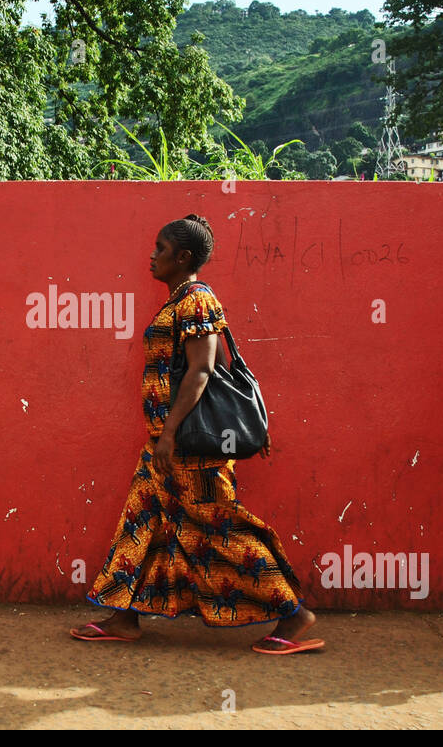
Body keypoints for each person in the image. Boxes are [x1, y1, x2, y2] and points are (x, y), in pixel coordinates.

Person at [70, 215, 322, 654]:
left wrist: (170, 434)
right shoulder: (178, 303)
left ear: (183, 257)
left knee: (221, 528)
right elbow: (215, 366)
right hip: (166, 445)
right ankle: (124, 617)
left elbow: (205, 369)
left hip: (188, 448)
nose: (152, 255)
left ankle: (294, 614)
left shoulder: (197, 301)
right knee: (143, 522)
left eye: (161, 248)